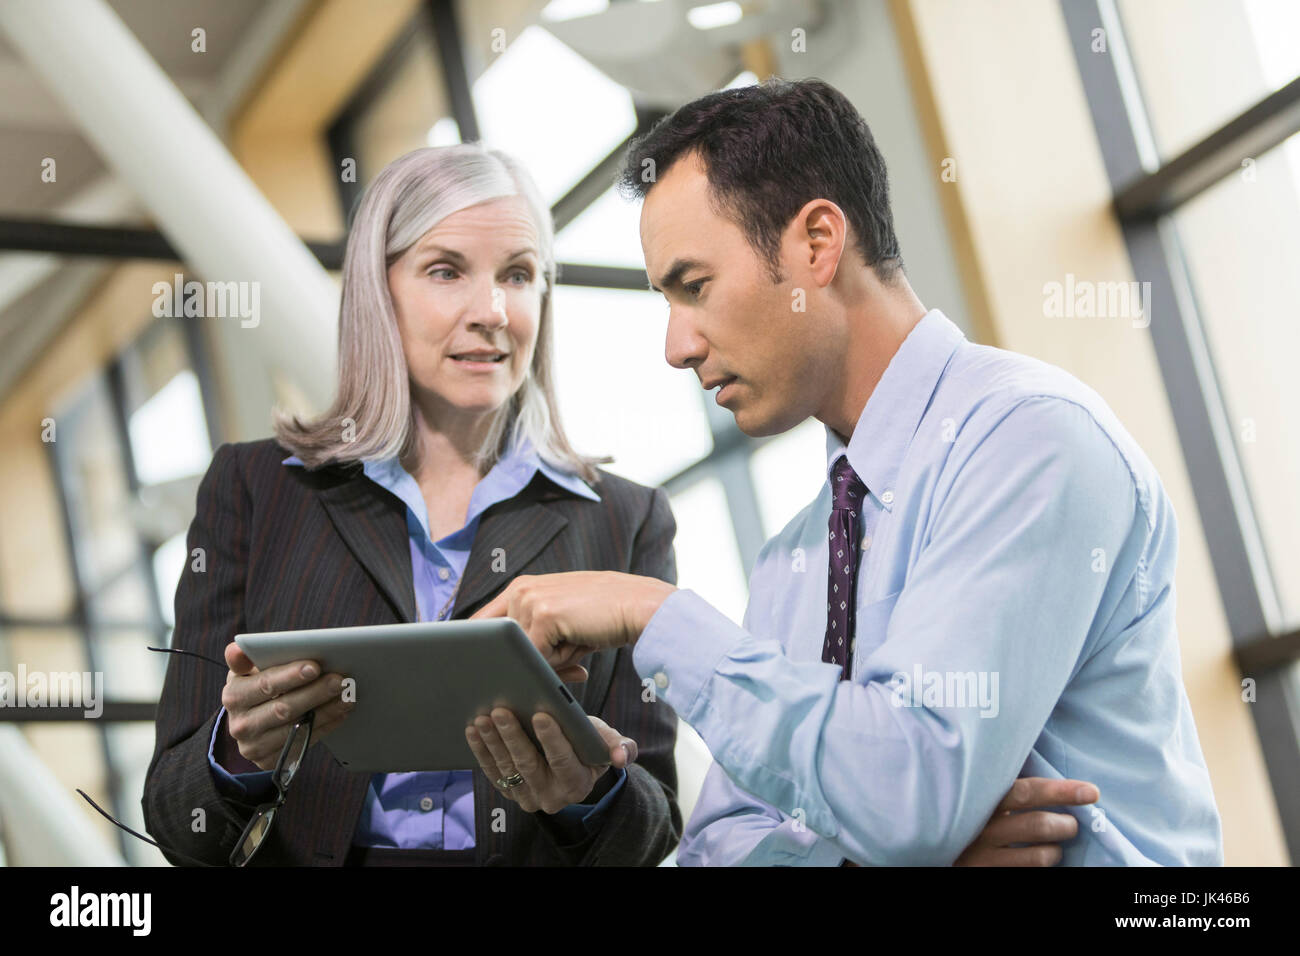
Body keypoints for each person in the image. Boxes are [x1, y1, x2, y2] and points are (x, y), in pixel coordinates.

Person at [472, 79, 1224, 866]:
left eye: (694, 288)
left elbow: (909, 796)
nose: (676, 346)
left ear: (819, 243)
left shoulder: (1030, 443)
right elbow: (717, 852)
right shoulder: (794, 557)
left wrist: (652, 614)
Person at [141, 144, 682, 866]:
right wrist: (240, 754)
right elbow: (177, 822)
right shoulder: (257, 490)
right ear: (379, 291)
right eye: (445, 270)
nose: (491, 311)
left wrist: (589, 790)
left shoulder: (625, 521)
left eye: (517, 274)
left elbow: (652, 831)